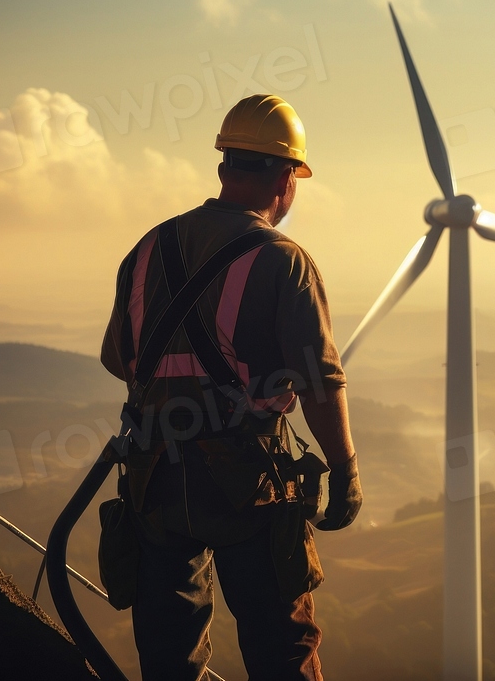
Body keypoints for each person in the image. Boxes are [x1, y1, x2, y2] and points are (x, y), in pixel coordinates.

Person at [100, 94, 362, 681]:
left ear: (224, 167)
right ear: (287, 177)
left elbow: (119, 359)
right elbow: (320, 381)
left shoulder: (148, 247)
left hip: (153, 479)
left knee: (168, 653)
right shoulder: (283, 259)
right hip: (249, 485)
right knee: (281, 648)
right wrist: (344, 471)